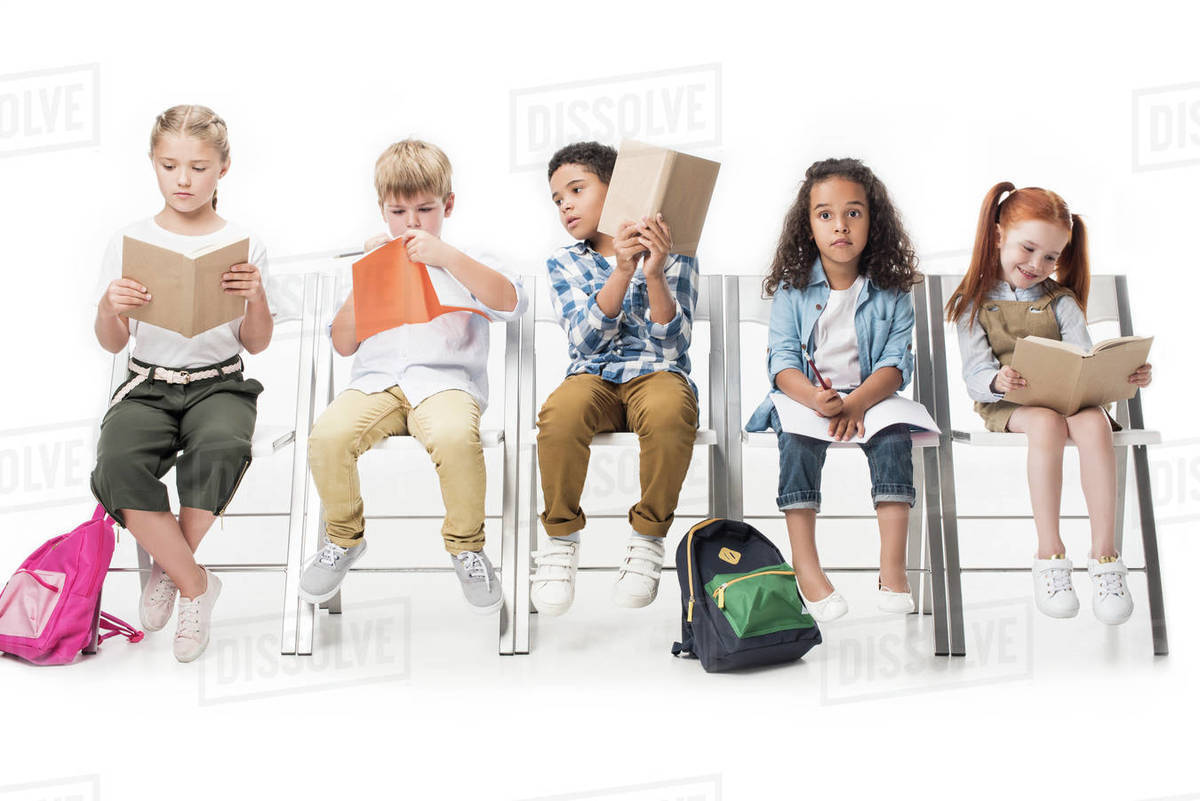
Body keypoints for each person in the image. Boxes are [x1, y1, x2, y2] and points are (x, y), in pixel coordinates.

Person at [301, 139, 526, 616]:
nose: (413, 223)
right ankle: (343, 538)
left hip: (446, 384)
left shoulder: (468, 257)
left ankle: (467, 546)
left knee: (453, 437)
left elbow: (510, 302)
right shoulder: (369, 259)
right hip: (376, 385)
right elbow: (343, 343)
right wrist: (369, 276)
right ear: (382, 210)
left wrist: (446, 257)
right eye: (399, 212)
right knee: (328, 436)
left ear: (448, 205)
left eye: (425, 209)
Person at [91, 104, 273, 662]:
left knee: (221, 446)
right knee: (118, 461)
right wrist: (111, 305)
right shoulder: (129, 240)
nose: (184, 180)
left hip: (220, 384)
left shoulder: (243, 241)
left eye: (198, 167)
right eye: (170, 166)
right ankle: (195, 581)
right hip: (148, 384)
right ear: (153, 164)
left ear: (223, 168)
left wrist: (255, 295)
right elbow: (112, 342)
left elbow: (257, 342)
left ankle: (171, 566)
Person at [946, 182, 1152, 624]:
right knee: (1045, 424)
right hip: (1011, 404)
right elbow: (975, 377)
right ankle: (1049, 554)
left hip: (1069, 401)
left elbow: (1086, 359)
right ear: (998, 234)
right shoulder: (974, 305)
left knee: (1095, 423)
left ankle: (1105, 558)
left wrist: (1126, 374)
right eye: (1028, 248)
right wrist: (998, 379)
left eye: (1050, 257)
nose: (1036, 265)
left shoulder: (1061, 302)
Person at [746, 157, 920, 622]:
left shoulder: (892, 290)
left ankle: (892, 569)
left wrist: (857, 402)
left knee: (892, 442)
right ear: (808, 226)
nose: (839, 225)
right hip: (808, 399)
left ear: (873, 221)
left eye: (853, 213)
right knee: (798, 444)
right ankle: (807, 570)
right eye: (825, 215)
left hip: (872, 398)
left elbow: (896, 364)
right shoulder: (793, 289)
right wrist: (816, 399)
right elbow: (781, 362)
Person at [531, 141, 701, 616]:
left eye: (576, 189)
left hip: (657, 372)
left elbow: (673, 346)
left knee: (671, 411)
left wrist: (655, 274)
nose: (565, 204)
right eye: (557, 198)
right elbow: (585, 343)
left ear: (619, 189)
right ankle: (561, 540)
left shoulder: (676, 251)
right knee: (560, 414)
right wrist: (622, 272)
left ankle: (648, 537)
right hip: (595, 375)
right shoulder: (563, 261)